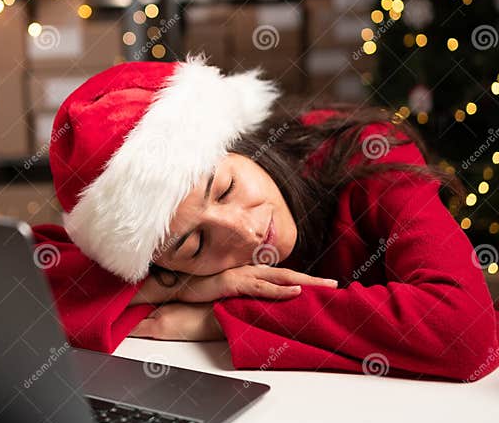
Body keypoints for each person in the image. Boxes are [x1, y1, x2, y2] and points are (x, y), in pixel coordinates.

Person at [32, 53, 499, 382]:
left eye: (227, 188)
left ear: (243, 145)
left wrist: (218, 316)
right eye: (194, 245)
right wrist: (176, 288)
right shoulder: (175, 270)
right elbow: (1, 285)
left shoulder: (366, 154)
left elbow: (464, 333)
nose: (247, 230)